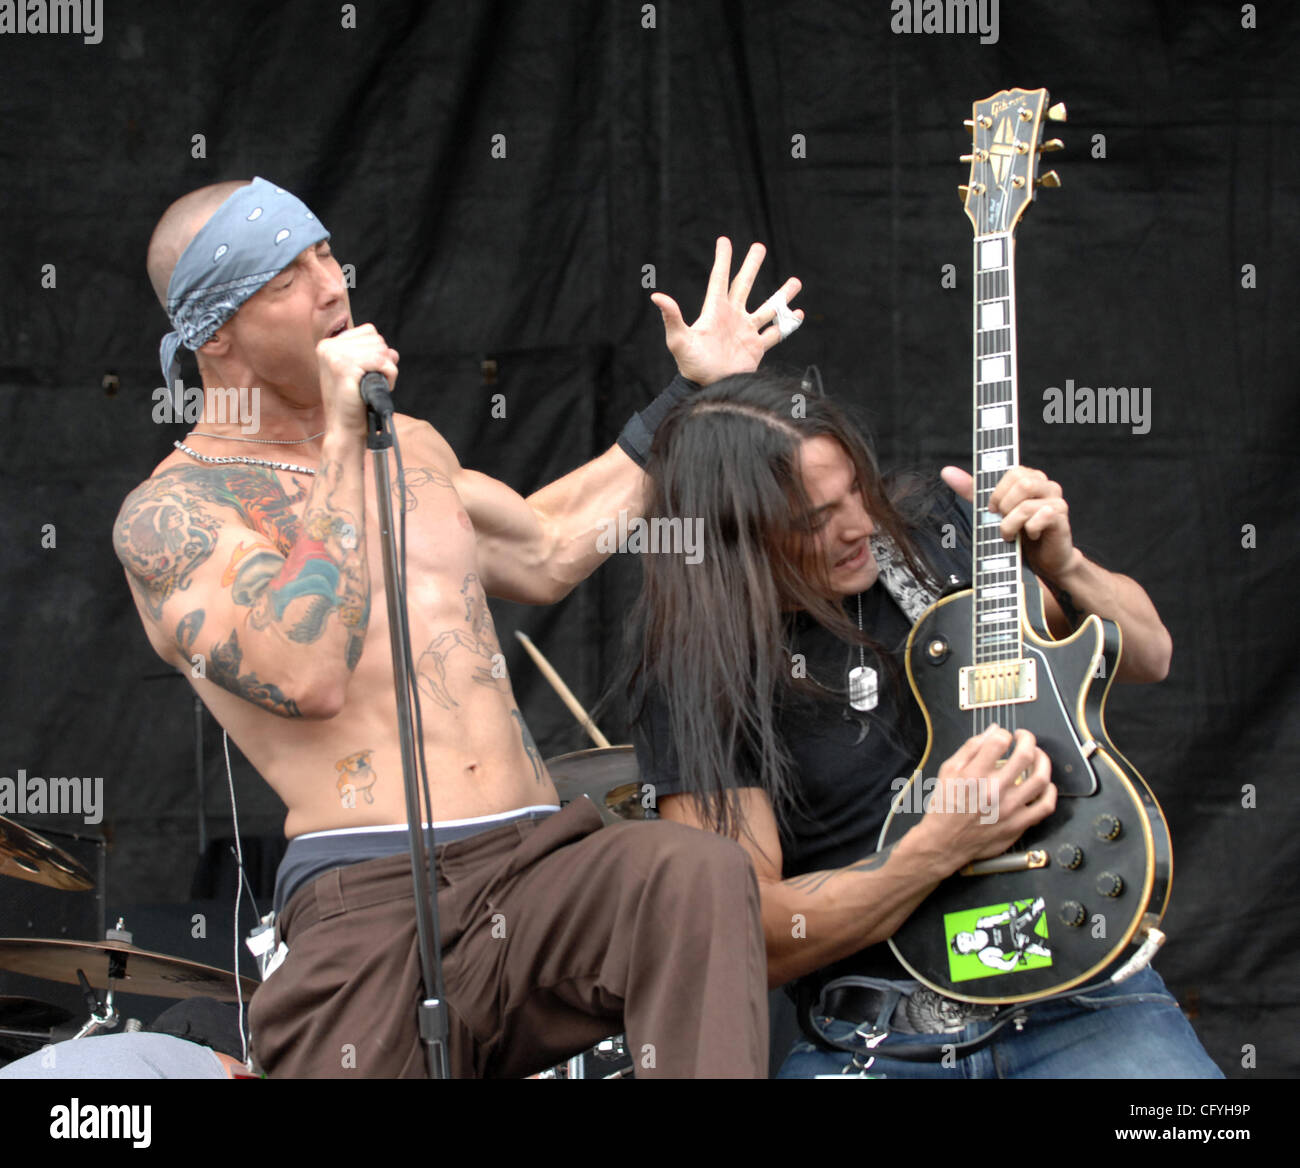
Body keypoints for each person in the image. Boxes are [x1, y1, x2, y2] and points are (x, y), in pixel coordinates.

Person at [114, 177, 803, 1077]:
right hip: (370, 897)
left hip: (532, 861)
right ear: (215, 334)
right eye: (285, 277)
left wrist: (688, 392)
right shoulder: (172, 514)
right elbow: (307, 672)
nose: (331, 287)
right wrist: (342, 443)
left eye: (324, 253)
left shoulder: (418, 448)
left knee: (694, 874)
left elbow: (551, 545)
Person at [628, 370, 1223, 1078]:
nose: (860, 526)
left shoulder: (934, 534)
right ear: (734, 536)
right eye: (815, 520)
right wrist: (935, 847)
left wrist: (1066, 565)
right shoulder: (696, 673)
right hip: (877, 1033)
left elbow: (1149, 653)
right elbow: (753, 935)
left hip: (1079, 997)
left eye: (857, 489)